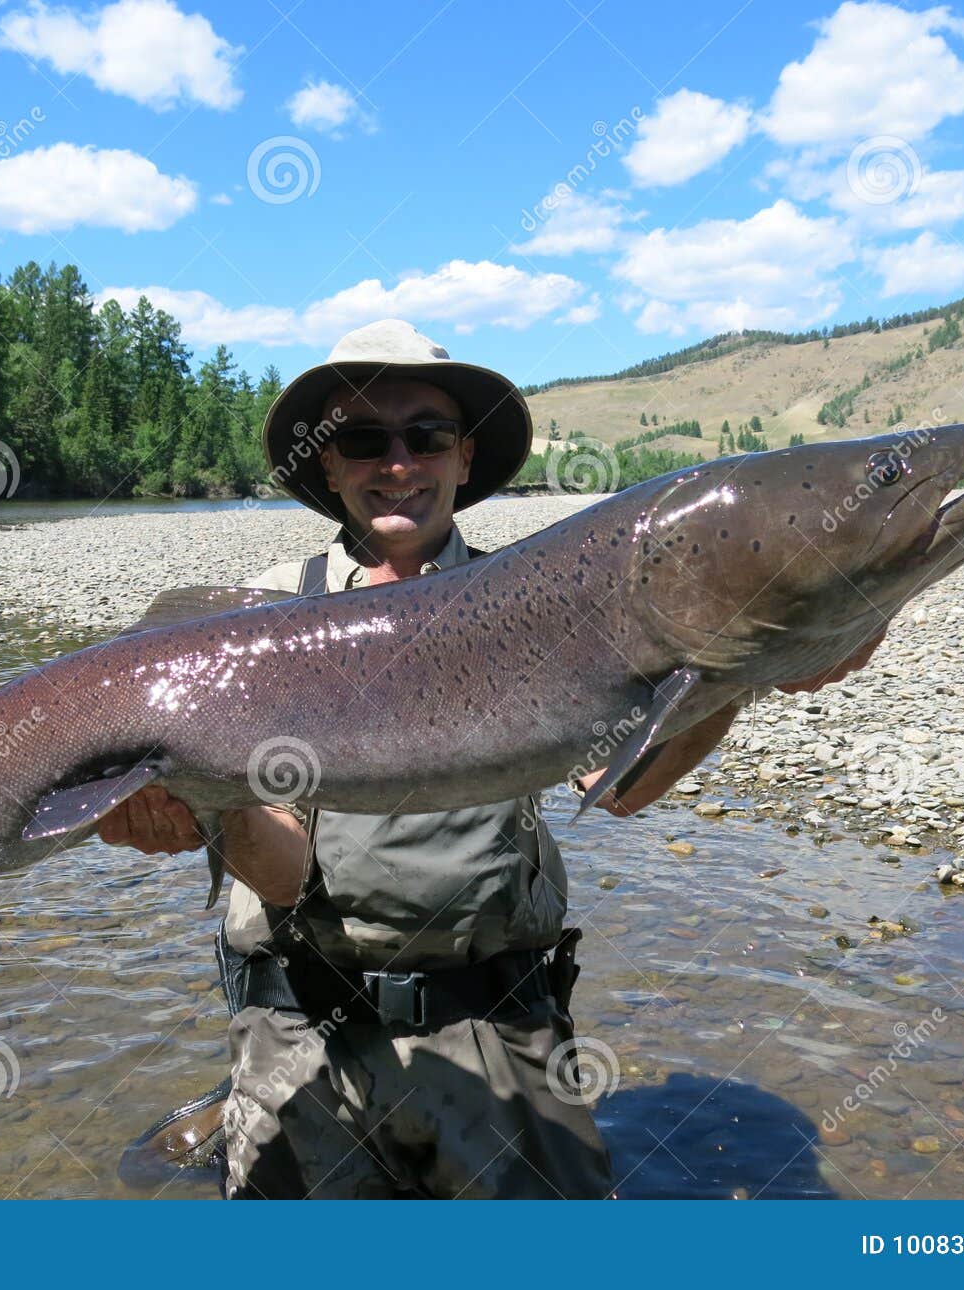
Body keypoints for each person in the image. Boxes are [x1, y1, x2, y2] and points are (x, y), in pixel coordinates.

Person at [101, 319, 883, 1198]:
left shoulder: (542, 596)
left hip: (498, 1026)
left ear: (464, 457)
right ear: (329, 463)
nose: (399, 462)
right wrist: (203, 808)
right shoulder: (257, 623)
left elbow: (619, 788)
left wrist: (734, 669)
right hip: (303, 1029)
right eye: (364, 440)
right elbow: (282, 878)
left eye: (427, 435)